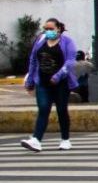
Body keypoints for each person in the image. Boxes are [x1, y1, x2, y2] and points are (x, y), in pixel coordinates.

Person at [20, 18, 77, 152]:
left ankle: (65, 139)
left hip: (61, 83)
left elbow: (70, 61)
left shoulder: (67, 42)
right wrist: (30, 80)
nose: (48, 31)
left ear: (58, 29)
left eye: (51, 28)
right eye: (46, 28)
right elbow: (33, 59)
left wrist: (58, 76)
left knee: (61, 110)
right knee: (43, 109)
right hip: (43, 82)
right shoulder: (41, 40)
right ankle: (36, 140)